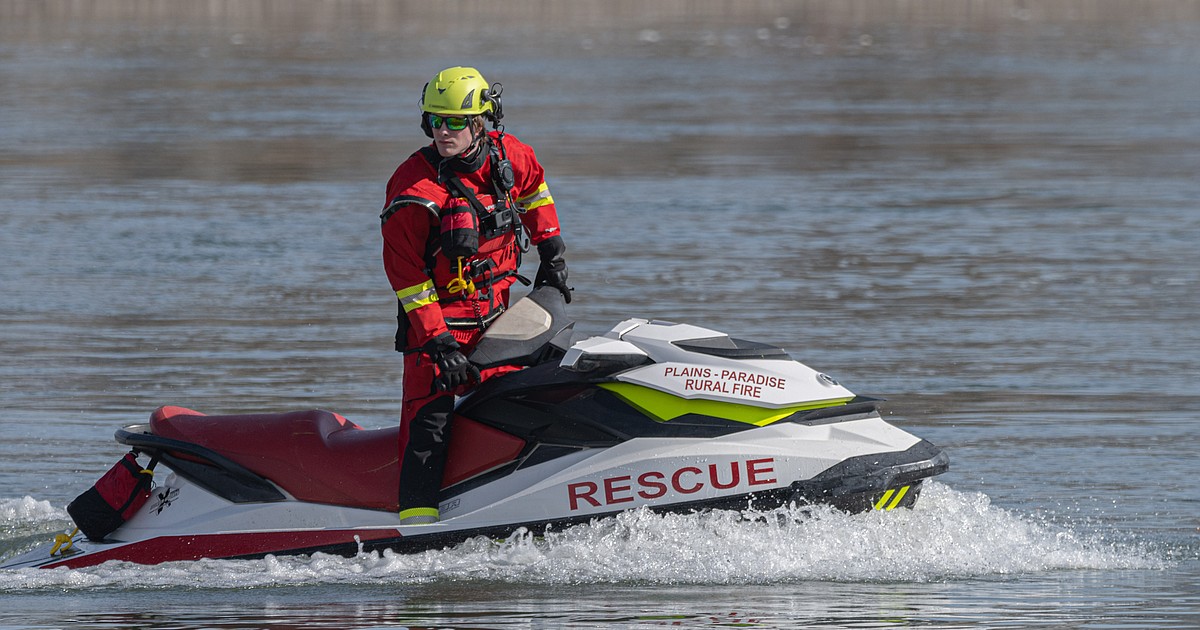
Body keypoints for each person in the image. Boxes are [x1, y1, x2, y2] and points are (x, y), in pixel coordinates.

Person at [380, 66, 571, 525]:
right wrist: (439, 343)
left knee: (545, 389)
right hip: (439, 334)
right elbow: (407, 277)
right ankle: (416, 529)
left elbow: (535, 194)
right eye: (435, 121)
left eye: (455, 122)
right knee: (430, 431)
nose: (443, 131)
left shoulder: (511, 156)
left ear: (482, 121)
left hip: (500, 320)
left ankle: (533, 496)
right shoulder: (413, 191)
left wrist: (552, 253)